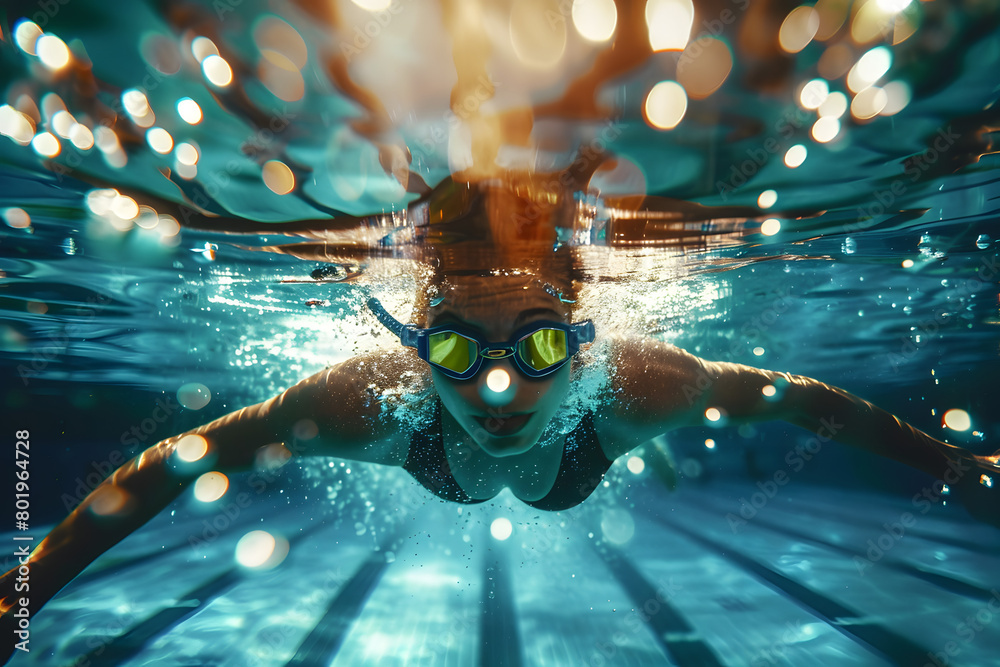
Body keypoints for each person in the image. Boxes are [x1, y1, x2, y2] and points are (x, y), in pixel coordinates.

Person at [1, 173, 998, 664]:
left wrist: (950, 461)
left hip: (579, 461)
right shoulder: (375, 401)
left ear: (583, 339)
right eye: (450, 351)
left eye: (540, 347)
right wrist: (26, 586)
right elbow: (184, 457)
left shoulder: (635, 385)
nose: (497, 390)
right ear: (413, 344)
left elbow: (800, 398)